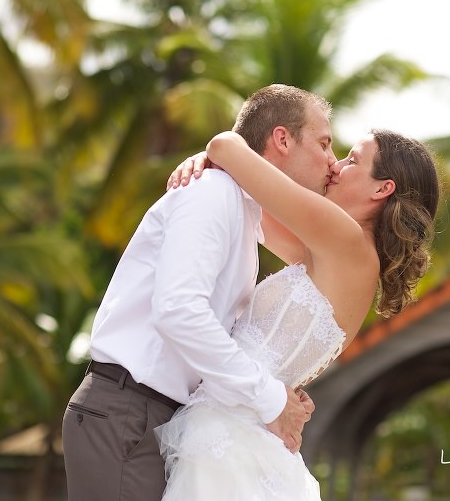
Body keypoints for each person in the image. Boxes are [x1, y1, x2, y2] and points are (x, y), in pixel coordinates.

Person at [61, 84, 337, 501]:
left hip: (154, 417)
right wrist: (267, 396)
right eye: (324, 143)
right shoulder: (211, 193)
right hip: (127, 411)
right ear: (282, 138)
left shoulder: (245, 209)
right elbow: (178, 312)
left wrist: (279, 391)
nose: (332, 161)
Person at [157, 128, 440, 499]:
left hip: (230, 437)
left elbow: (226, 146)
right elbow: (251, 207)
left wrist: (212, 159)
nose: (336, 166)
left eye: (353, 160)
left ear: (381, 189)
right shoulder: (337, 255)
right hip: (245, 434)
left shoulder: (347, 241)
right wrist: (213, 168)